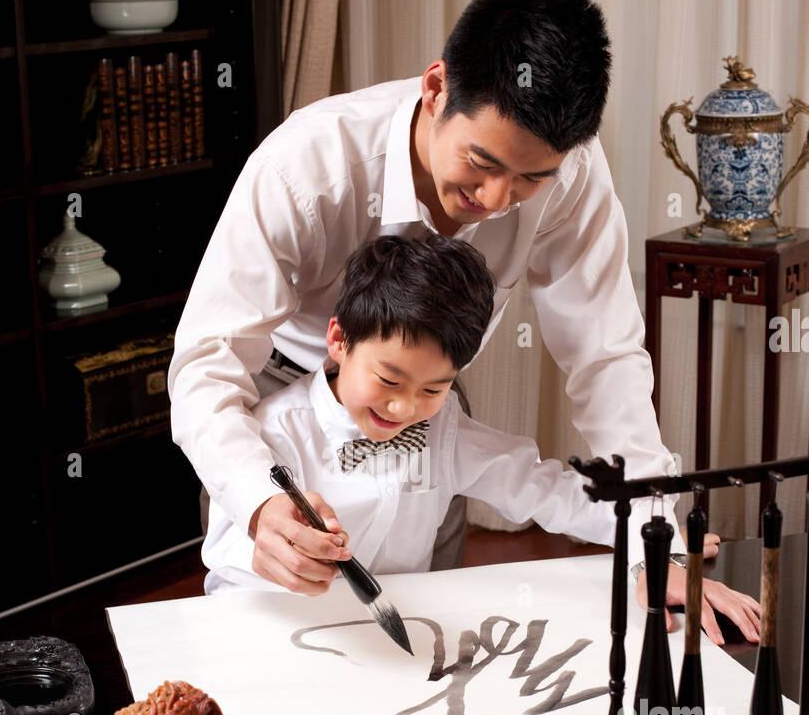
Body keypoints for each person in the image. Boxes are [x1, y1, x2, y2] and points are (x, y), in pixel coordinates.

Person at [170, 0, 711, 596]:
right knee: (268, 608)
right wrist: (258, 499)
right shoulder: (307, 165)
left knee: (427, 610)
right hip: (279, 383)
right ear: (436, 89)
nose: (499, 200)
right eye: (483, 164)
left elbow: (605, 355)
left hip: (428, 400)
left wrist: (651, 531)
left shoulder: (573, 175)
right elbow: (206, 365)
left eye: (531, 178)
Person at [202, 234, 760, 646]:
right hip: (270, 637)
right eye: (390, 380)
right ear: (339, 340)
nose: (403, 408)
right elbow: (225, 569)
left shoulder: (442, 433)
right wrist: (279, 555)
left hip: (395, 643)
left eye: (434, 388)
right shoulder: (268, 433)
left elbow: (550, 491)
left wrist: (650, 542)